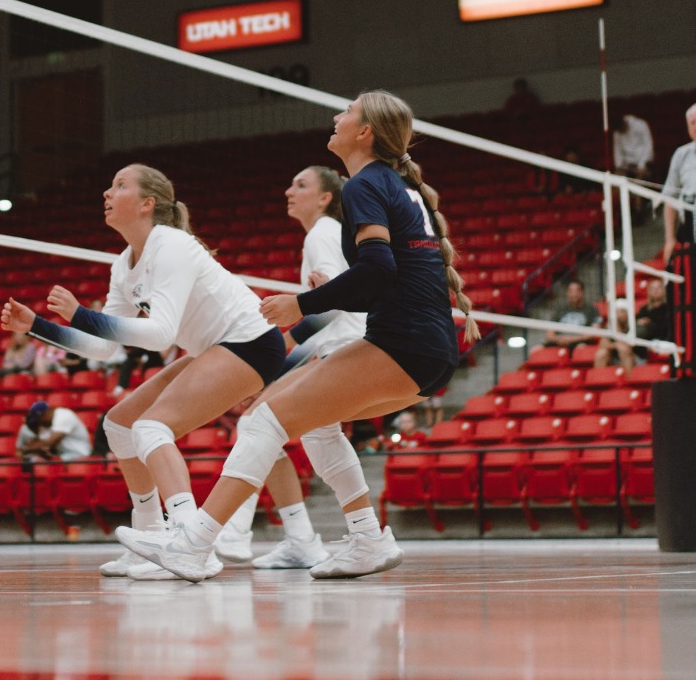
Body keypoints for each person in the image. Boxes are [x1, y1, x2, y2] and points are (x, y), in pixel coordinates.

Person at [118, 91, 475, 582]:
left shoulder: (364, 185)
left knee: (263, 421)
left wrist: (301, 305)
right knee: (313, 425)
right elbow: (385, 279)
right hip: (427, 347)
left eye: (347, 113)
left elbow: (376, 269)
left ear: (365, 132)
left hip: (402, 344)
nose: (336, 118)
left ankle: (194, 543)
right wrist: (331, 294)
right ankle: (365, 537)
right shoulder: (394, 184)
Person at [2, 162, 289, 584]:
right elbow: (104, 348)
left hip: (251, 342)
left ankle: (191, 543)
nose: (107, 192)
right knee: (119, 425)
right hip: (215, 347)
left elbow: (159, 336)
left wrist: (81, 314)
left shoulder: (170, 243)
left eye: (119, 186)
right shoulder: (124, 263)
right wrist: (38, 328)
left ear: (147, 203)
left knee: (151, 427)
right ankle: (151, 537)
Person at [216, 163, 368, 573]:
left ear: (324, 198)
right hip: (339, 346)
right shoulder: (326, 235)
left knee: (254, 424)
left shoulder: (322, 233)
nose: (289, 190)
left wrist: (279, 346)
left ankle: (234, 529)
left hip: (344, 348)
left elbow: (334, 304)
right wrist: (277, 368)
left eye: (300, 185)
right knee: (275, 432)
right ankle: (302, 539)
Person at [661, 102, 696, 264]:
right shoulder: (681, 154)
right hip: (690, 225)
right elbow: (670, 198)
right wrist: (670, 239)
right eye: (692, 123)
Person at [15, 399, 91, 461]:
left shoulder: (64, 415)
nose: (38, 423)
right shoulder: (45, 425)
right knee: (36, 461)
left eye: (38, 420)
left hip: (79, 454)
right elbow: (41, 444)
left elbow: (49, 443)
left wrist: (25, 450)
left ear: (44, 414)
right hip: (62, 454)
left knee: (56, 463)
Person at [545, 278, 594, 346]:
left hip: (580, 344)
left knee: (581, 349)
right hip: (559, 343)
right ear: (567, 293)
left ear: (582, 292)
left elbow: (595, 332)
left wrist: (571, 339)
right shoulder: (560, 311)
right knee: (536, 350)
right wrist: (560, 339)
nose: (574, 294)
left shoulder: (591, 310)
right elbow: (549, 335)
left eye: (577, 291)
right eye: (571, 291)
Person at [612, 112, 653, 180]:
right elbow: (617, 151)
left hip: (643, 162)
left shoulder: (641, 125)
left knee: (640, 178)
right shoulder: (617, 133)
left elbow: (648, 145)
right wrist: (618, 167)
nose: (622, 131)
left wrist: (641, 165)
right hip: (628, 165)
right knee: (616, 180)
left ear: (624, 123)